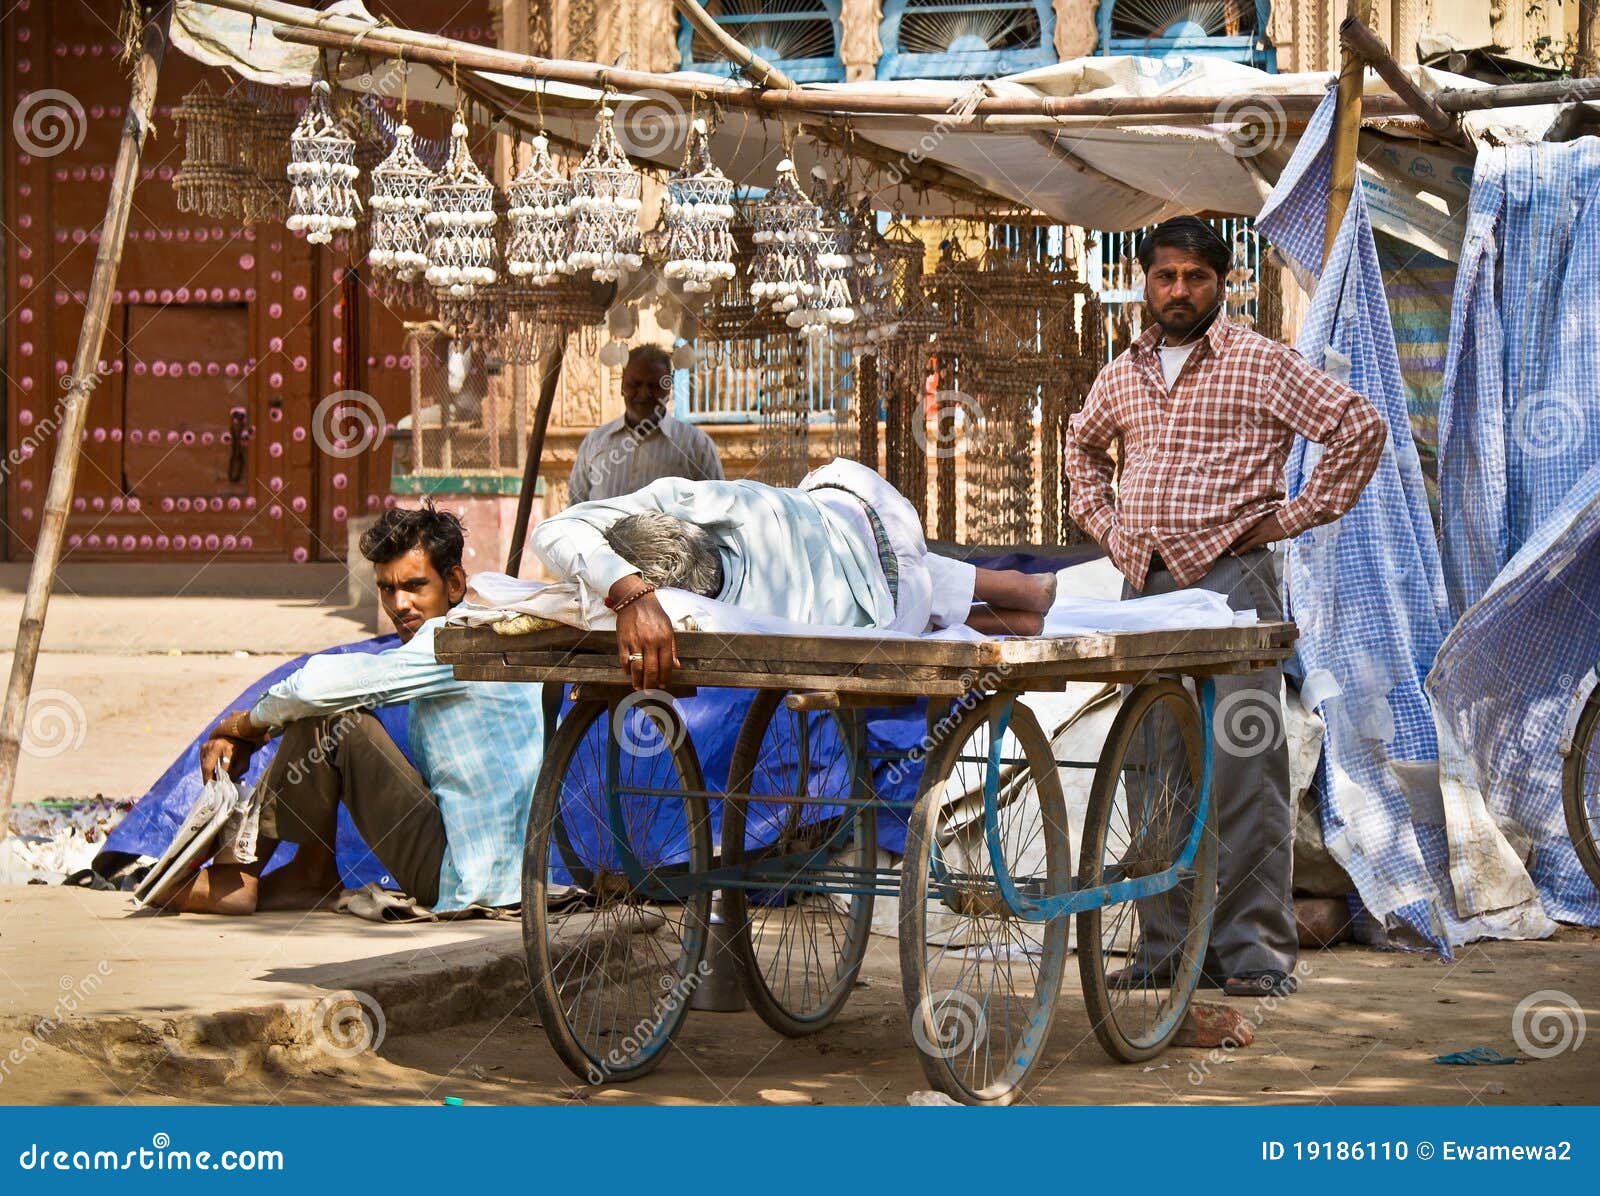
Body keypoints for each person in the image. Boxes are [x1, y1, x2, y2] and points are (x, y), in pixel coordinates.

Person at [1063, 215, 1386, 1000]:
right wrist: (1108, 528)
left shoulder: (1260, 363)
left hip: (1234, 587)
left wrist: (1290, 516)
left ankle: (1253, 957)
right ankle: (1167, 952)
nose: (1179, 291)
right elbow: (1080, 448)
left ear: (1222, 282)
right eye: (1166, 275)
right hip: (1145, 594)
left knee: (1244, 773)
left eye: (1196, 277)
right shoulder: (1124, 372)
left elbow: (1358, 428)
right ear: (1146, 281)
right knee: (1154, 768)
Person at [168, 502, 543, 916]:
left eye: (415, 586)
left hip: (465, 878)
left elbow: (313, 689)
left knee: (333, 719)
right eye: (386, 588)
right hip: (516, 875)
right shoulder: (491, 625)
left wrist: (243, 725)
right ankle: (310, 875)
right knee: (332, 711)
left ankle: (239, 876)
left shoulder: (451, 640)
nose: (399, 604)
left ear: (453, 583)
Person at [531, 457, 1056, 691]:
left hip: (890, 595)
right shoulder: (677, 499)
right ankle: (1023, 590)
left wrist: (631, 596)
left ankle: (1015, 609)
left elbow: (552, 531)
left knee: (891, 587)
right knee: (876, 563)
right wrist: (634, 593)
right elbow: (557, 531)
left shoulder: (713, 609)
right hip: (861, 510)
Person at [567, 344, 723, 505]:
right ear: (622, 386)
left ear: (668, 390)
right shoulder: (595, 441)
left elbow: (715, 507)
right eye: (635, 384)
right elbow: (575, 508)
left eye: (655, 386)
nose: (644, 394)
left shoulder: (696, 445)